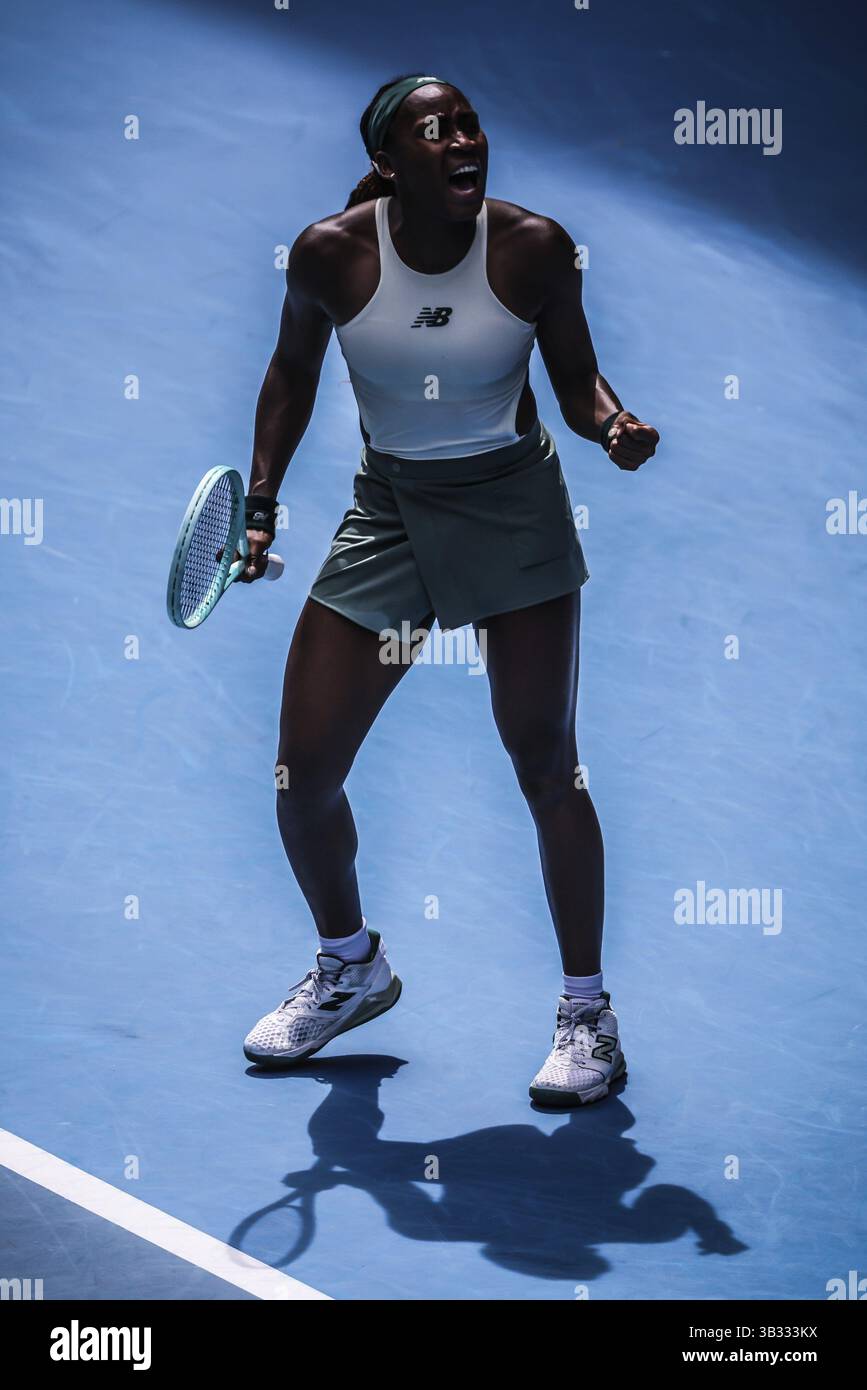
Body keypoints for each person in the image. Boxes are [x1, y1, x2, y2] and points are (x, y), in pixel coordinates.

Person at [240, 74, 659, 1106]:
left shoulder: (533, 248)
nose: (465, 140)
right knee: (305, 774)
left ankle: (587, 1017)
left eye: (469, 123)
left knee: (545, 764)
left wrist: (611, 424)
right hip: (392, 517)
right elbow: (291, 372)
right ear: (391, 163)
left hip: (513, 512)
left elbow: (573, 380)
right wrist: (258, 504)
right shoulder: (331, 255)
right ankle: (351, 966)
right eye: (438, 131)